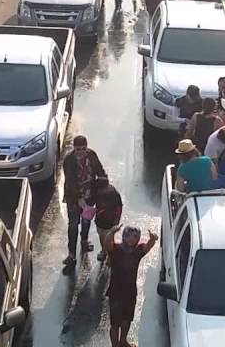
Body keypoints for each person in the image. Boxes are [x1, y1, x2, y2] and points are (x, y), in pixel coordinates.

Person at [103, 225, 158, 347]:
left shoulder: (137, 251)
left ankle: (123, 341)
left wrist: (153, 239)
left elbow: (148, 246)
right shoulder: (116, 250)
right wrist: (111, 232)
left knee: (126, 320)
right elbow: (107, 243)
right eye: (128, 236)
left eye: (135, 236)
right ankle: (115, 345)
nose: (131, 239)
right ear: (124, 236)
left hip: (130, 293)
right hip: (116, 293)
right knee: (115, 324)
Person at [61, 135, 107, 272]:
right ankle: (71, 254)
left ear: (86, 148)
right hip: (73, 197)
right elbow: (70, 182)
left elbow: (100, 170)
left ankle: (84, 241)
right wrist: (78, 198)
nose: (80, 152)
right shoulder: (69, 160)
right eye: (78, 149)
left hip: (90, 195)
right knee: (73, 224)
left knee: (86, 220)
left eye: (83, 149)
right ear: (74, 149)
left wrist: (105, 183)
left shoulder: (91, 155)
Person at [88, 176, 123, 262]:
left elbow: (119, 207)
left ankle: (110, 255)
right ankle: (103, 251)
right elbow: (92, 202)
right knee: (101, 236)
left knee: (110, 238)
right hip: (100, 221)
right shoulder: (97, 192)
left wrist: (117, 219)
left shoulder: (114, 194)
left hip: (111, 221)